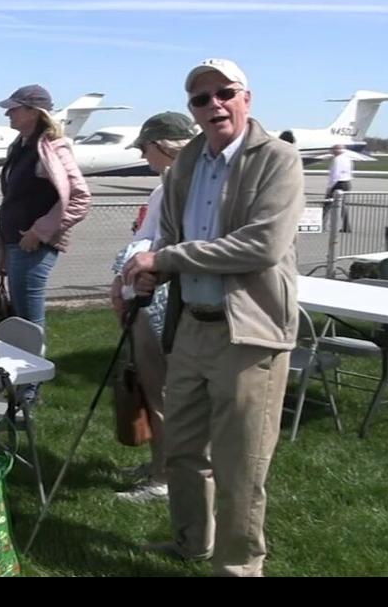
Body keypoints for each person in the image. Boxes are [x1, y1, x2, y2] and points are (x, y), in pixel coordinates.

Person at [122, 59, 303, 576]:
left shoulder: (278, 159)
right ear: (192, 111)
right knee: (181, 452)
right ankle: (190, 543)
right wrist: (155, 267)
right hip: (191, 326)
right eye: (200, 99)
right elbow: (172, 238)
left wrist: (168, 260)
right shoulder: (185, 164)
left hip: (249, 333)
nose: (213, 105)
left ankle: (239, 567)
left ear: (246, 97)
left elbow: (262, 245)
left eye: (224, 93)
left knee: (240, 466)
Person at [107, 112, 196, 504]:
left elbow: (157, 244)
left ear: (162, 146)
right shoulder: (168, 185)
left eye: (145, 148)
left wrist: (124, 275)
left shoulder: (180, 185)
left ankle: (165, 476)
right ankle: (159, 462)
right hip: (145, 295)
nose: (144, 156)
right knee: (150, 385)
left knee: (161, 391)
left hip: (161, 299)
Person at [0, 84, 91, 405]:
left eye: (14, 108)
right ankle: (22, 383)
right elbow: (11, 201)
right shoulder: (21, 146)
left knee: (29, 322)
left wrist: (40, 232)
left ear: (35, 112)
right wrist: (2, 248)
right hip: (15, 244)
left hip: (33, 248)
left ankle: (30, 390)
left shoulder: (51, 147)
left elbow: (79, 198)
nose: (8, 112)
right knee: (20, 319)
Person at [325, 144, 353, 232]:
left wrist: (329, 187)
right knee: (343, 206)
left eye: (333, 149)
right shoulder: (348, 159)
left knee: (327, 204)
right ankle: (346, 226)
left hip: (338, 183)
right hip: (347, 182)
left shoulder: (337, 160)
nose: (332, 151)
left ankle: (321, 224)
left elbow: (335, 175)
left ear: (337, 150)